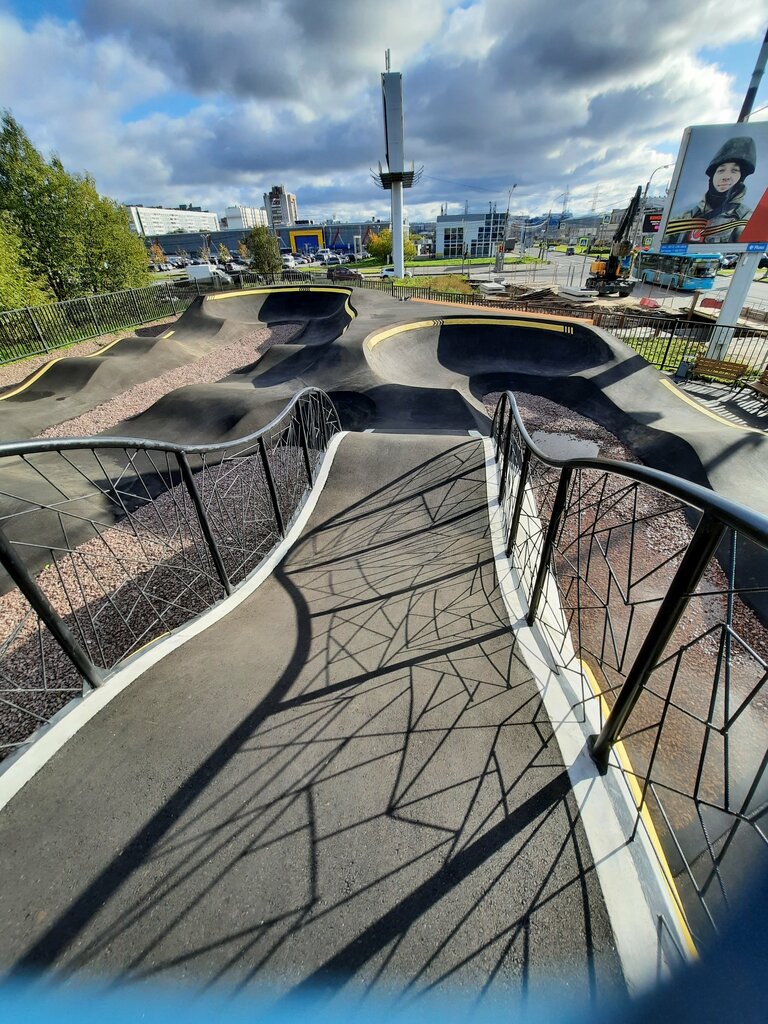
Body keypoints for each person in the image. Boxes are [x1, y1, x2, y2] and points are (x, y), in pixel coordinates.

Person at [663, 136, 756, 245]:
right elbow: (662, 242)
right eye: (721, 170)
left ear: (741, 178)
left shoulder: (746, 218)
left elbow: (749, 248)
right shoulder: (686, 217)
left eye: (734, 171)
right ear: (712, 176)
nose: (726, 177)